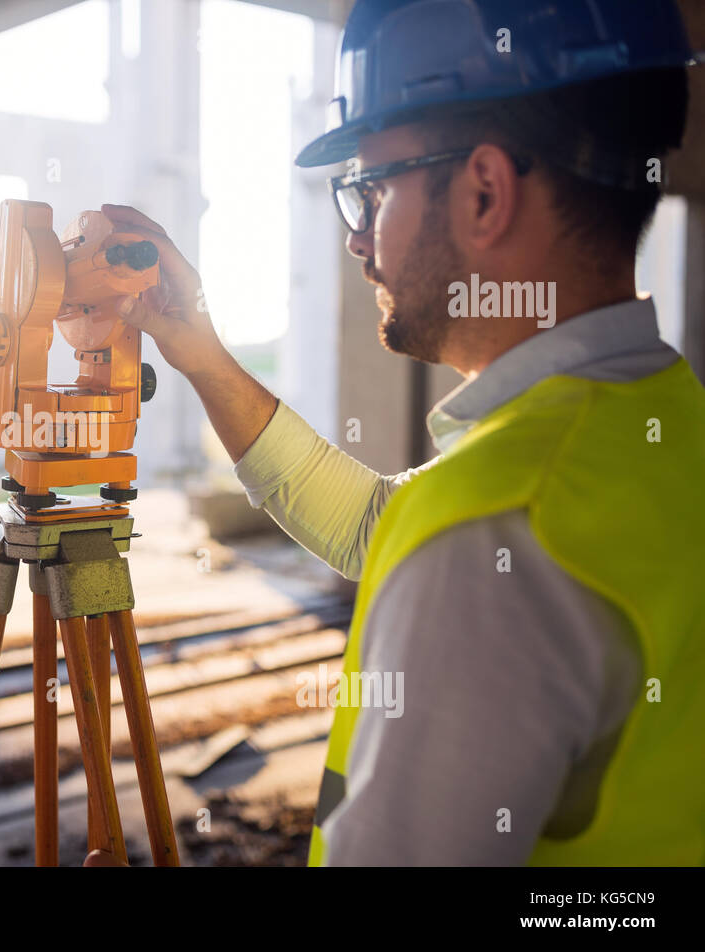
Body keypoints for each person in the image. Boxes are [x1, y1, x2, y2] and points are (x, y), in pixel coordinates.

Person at [102, 0, 704, 865]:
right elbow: (372, 522)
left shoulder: (495, 532)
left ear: (485, 192)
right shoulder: (659, 423)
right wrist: (199, 352)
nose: (355, 237)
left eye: (371, 189)